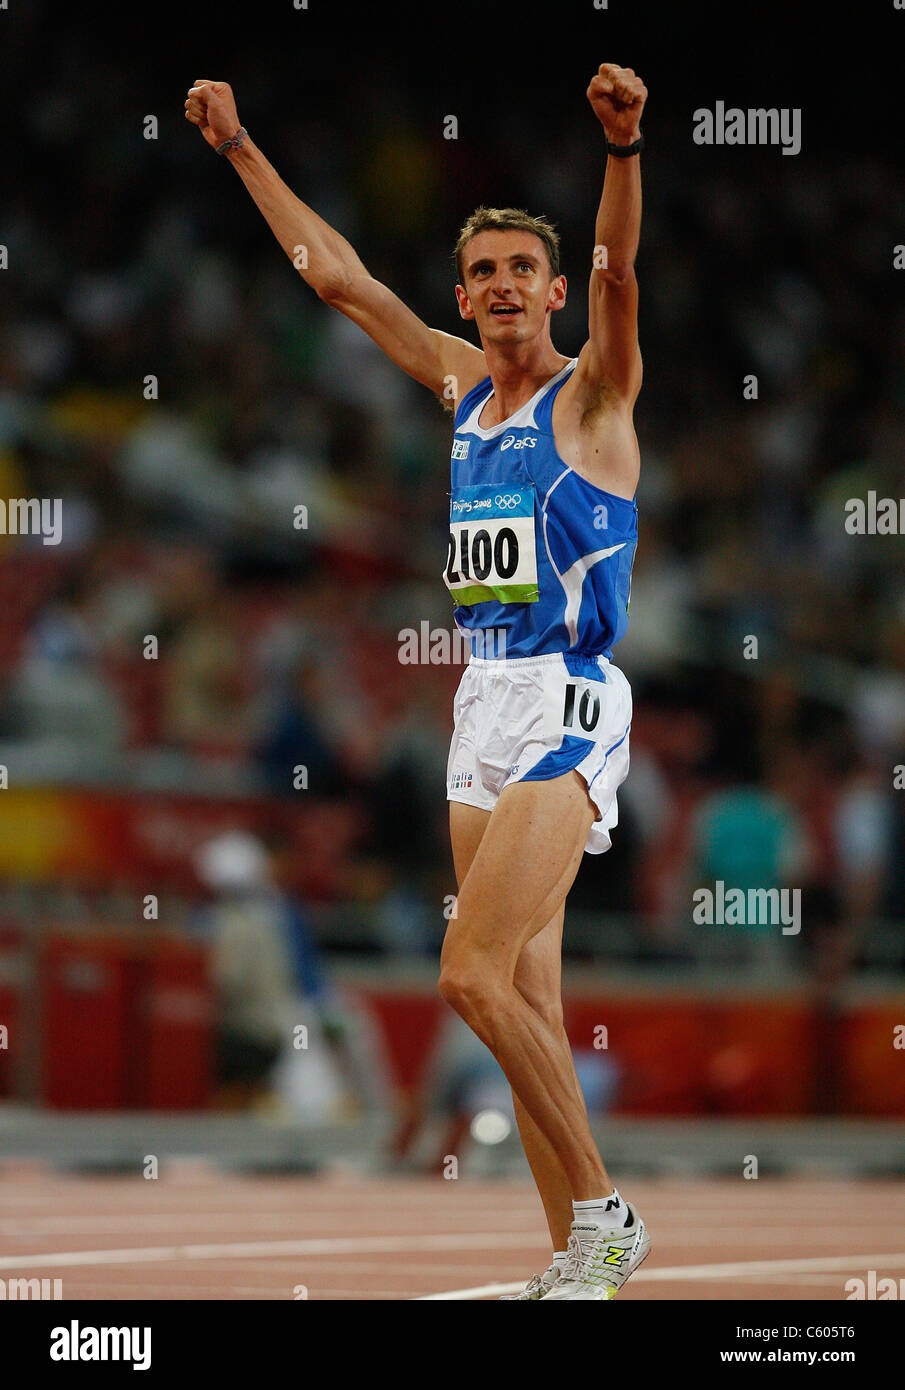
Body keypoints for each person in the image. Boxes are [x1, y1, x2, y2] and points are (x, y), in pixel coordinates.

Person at [186, 62, 649, 1300]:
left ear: (549, 292)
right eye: (483, 271)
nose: (503, 287)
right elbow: (335, 275)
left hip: (564, 698)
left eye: (521, 271)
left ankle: (606, 1211)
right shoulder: (455, 384)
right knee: (527, 1002)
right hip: (478, 705)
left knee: (466, 976)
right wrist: (239, 146)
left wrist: (622, 151)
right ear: (465, 295)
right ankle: (577, 1268)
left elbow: (617, 273)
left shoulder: (593, 394)